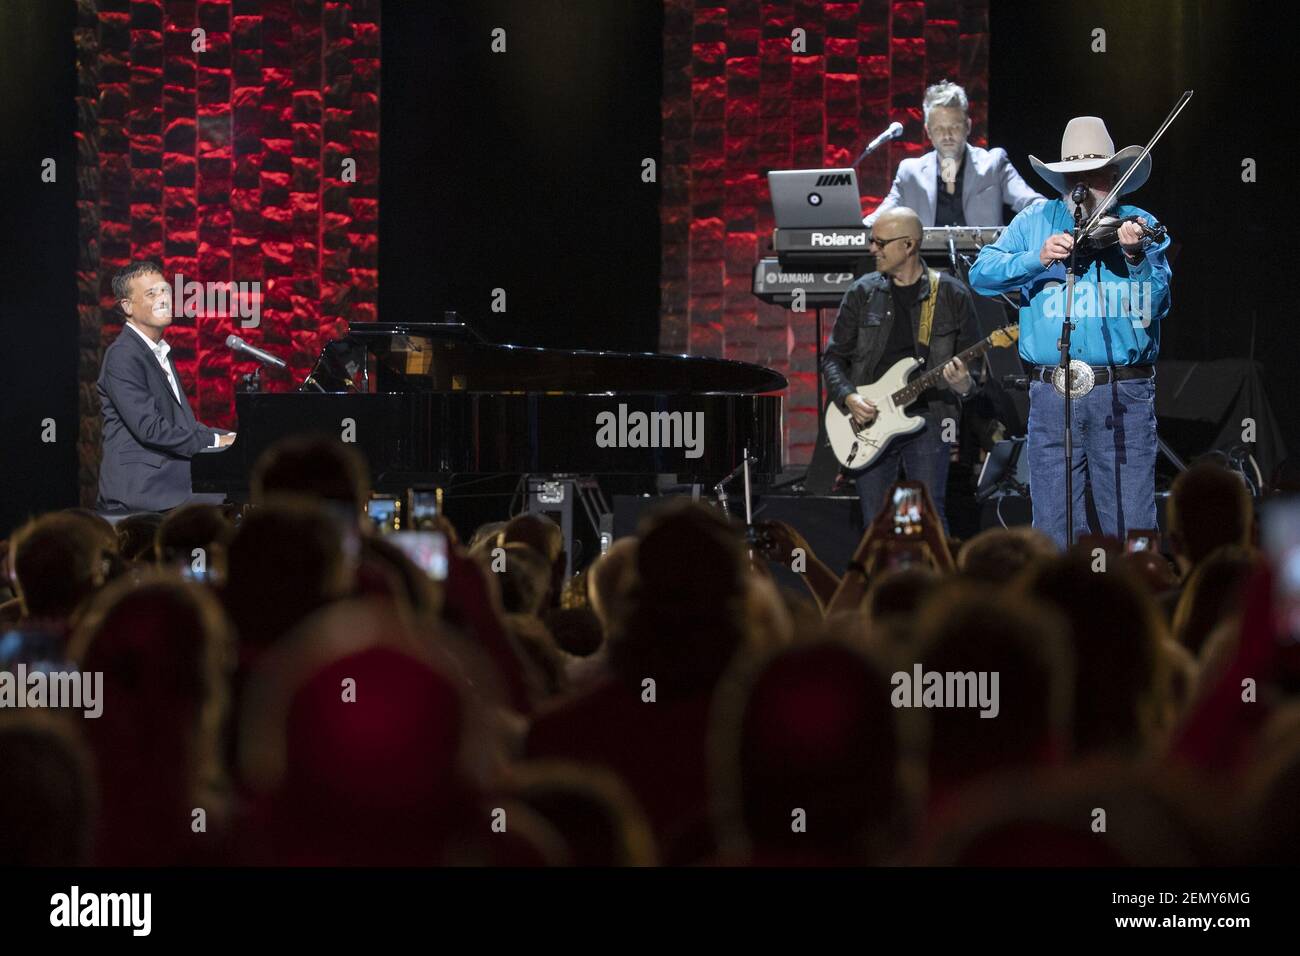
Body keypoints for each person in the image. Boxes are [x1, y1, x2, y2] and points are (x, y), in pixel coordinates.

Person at [968, 116, 1172, 547]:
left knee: (1131, 524)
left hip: (1122, 395)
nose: (1080, 187)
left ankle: (1137, 606)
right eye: (1071, 177)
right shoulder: (1034, 221)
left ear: (1114, 177)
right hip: (1051, 394)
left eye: (1092, 176)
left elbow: (1155, 305)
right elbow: (981, 275)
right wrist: (1034, 259)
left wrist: (1135, 258)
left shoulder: (1138, 225)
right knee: (1054, 527)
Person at [821, 206, 980, 528]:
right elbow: (833, 359)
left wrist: (963, 384)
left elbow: (974, 372)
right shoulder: (863, 293)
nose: (872, 249)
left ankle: (932, 578)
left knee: (927, 517)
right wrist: (849, 397)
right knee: (877, 519)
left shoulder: (950, 293)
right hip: (868, 421)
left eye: (880, 242)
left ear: (908, 245)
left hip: (929, 420)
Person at [96, 260, 234, 513]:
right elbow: (151, 429)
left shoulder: (159, 352)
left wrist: (231, 438)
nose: (164, 299)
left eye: (166, 291)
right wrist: (215, 440)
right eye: (151, 293)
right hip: (143, 486)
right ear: (127, 306)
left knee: (237, 491)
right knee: (230, 499)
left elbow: (183, 426)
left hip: (167, 477)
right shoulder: (123, 355)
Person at [864, 80, 1043, 228]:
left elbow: (1028, 200)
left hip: (984, 265)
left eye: (954, 127)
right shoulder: (910, 172)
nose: (947, 135)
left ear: (968, 126)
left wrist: (1060, 213)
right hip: (929, 267)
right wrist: (847, 232)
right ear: (928, 131)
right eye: (939, 128)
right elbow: (879, 218)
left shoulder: (994, 163)